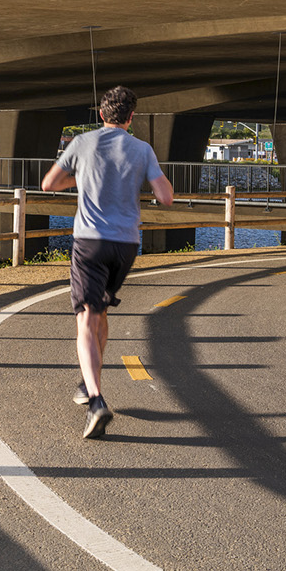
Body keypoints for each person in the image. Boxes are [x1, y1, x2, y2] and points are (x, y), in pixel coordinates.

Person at [41, 85, 173, 439]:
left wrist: (81, 178)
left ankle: (96, 400)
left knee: (85, 317)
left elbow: (49, 183)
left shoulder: (83, 142)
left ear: (101, 114)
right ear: (131, 118)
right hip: (126, 245)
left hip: (90, 242)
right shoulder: (142, 149)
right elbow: (166, 197)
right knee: (100, 312)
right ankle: (87, 383)